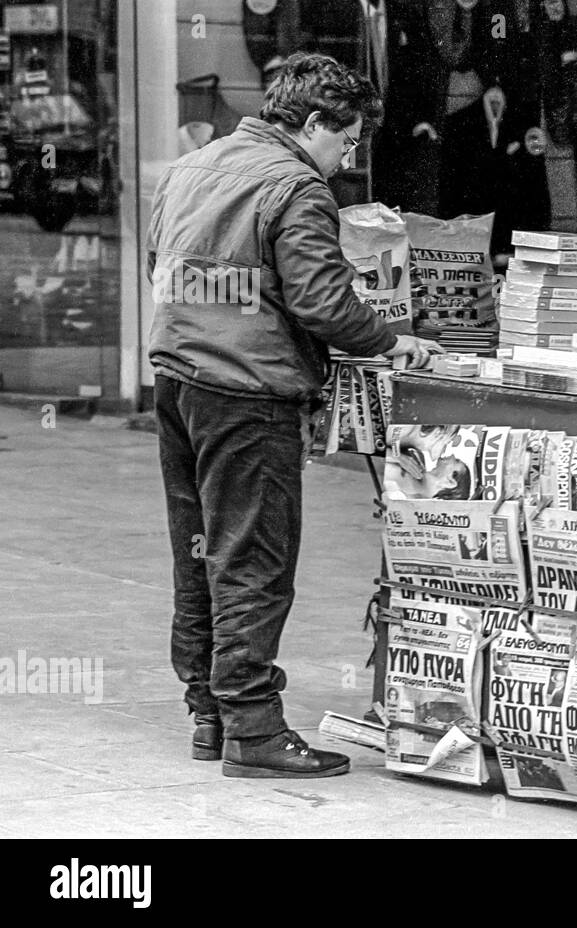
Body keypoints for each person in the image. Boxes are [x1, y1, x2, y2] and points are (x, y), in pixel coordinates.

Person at [149, 53, 430, 778]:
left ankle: (209, 715)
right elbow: (322, 304)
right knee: (254, 561)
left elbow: (162, 258)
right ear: (312, 124)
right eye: (346, 141)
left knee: (201, 553)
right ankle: (254, 730)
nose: (348, 159)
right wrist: (392, 340)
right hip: (248, 393)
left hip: (180, 382)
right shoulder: (296, 186)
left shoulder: (197, 164)